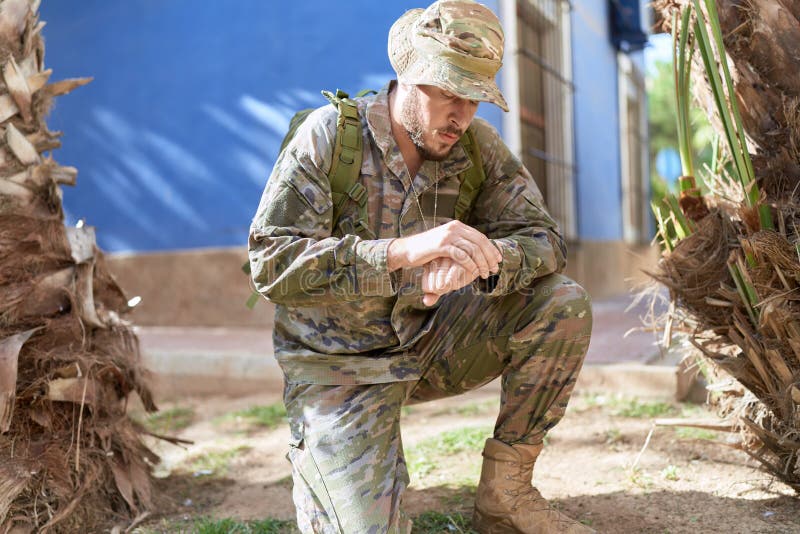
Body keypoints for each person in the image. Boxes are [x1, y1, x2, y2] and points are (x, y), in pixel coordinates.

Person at [248, 1, 593, 532]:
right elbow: (272, 263)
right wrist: (401, 251)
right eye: (449, 92)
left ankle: (505, 495)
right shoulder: (330, 137)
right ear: (407, 76)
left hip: (432, 340)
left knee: (561, 303)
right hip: (341, 365)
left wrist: (486, 260)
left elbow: (544, 238)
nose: (461, 113)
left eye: (473, 98)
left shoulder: (475, 145)